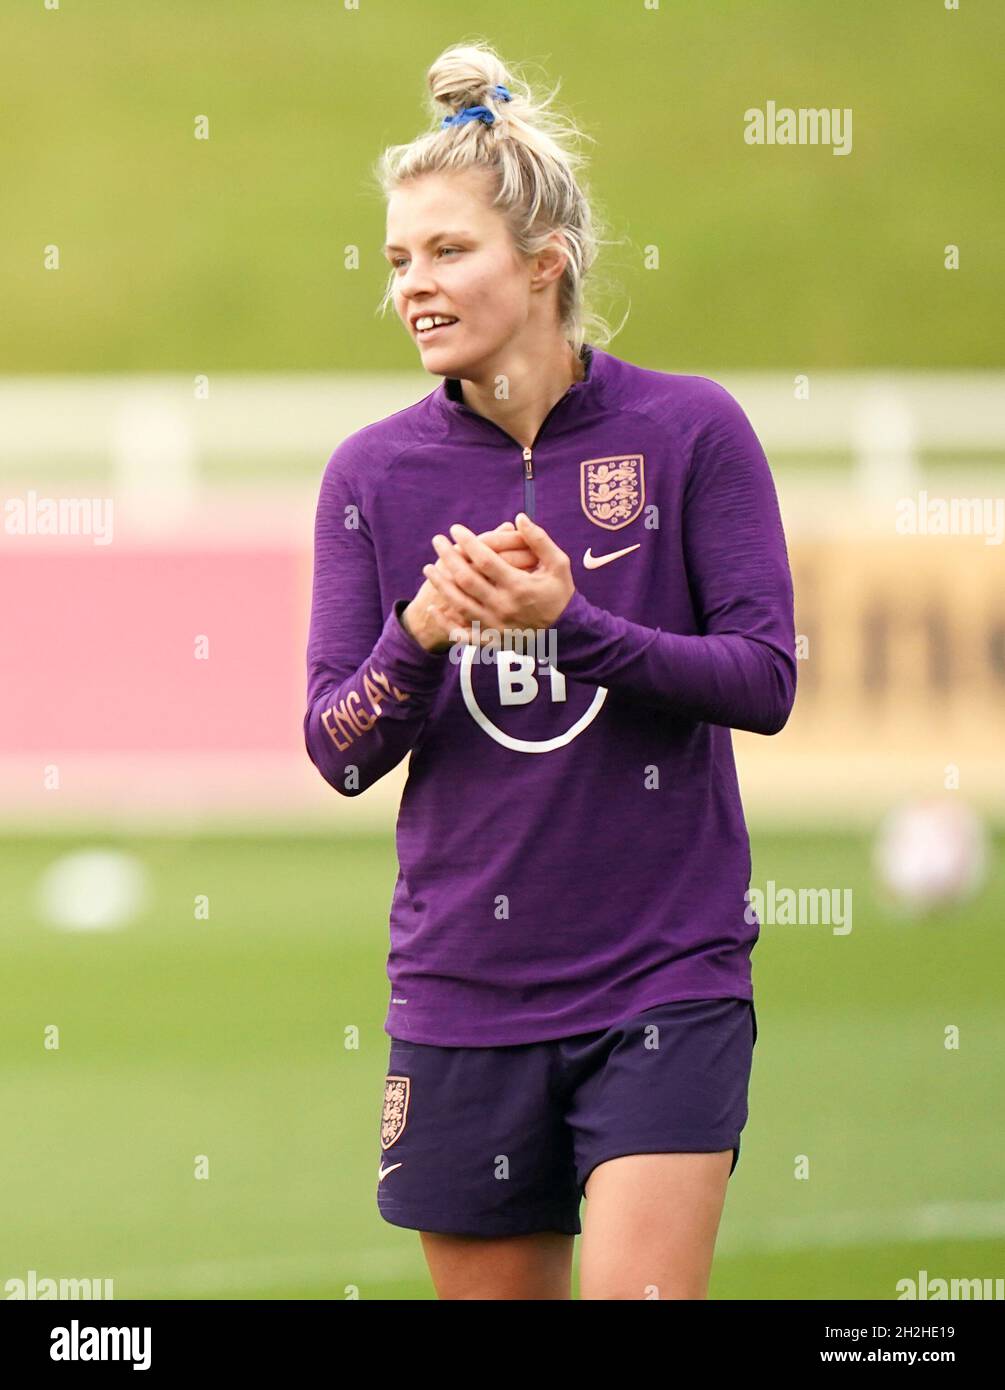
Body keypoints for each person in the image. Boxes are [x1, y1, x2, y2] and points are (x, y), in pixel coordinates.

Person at [303, 41, 796, 1300]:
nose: (414, 285)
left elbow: (763, 678)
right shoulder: (371, 474)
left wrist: (576, 624)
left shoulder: (690, 432)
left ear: (544, 263)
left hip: (665, 974)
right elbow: (338, 747)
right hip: (463, 990)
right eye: (398, 260)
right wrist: (416, 639)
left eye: (448, 252)